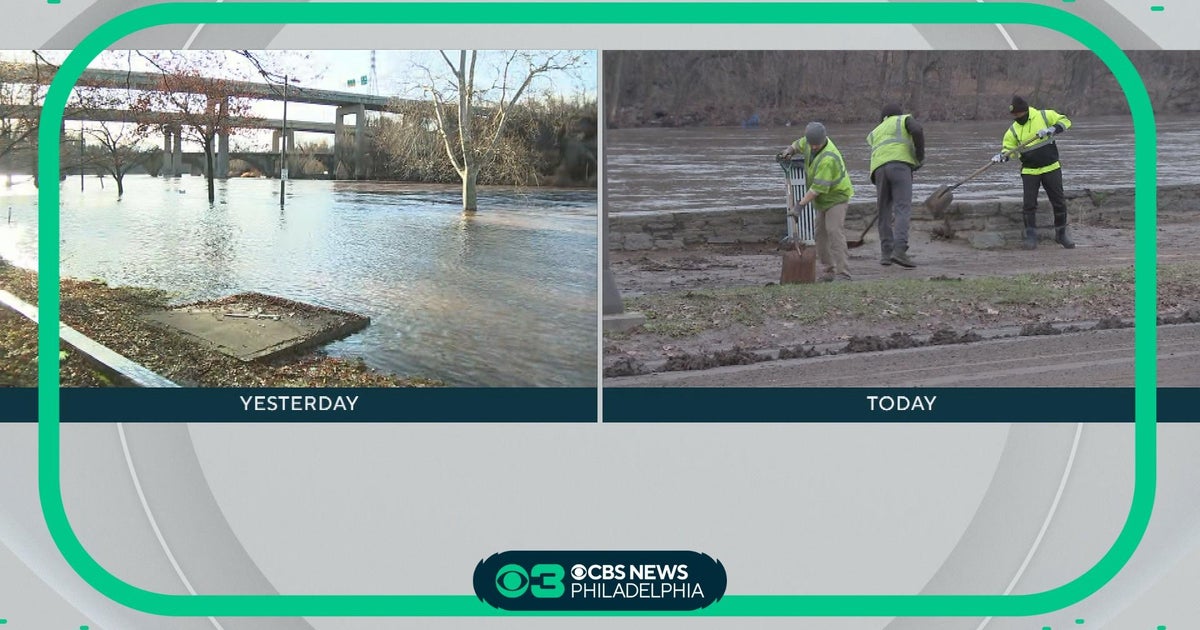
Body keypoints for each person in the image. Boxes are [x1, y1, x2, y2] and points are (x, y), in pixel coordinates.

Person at [991, 95, 1074, 249]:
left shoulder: (1044, 115)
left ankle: (1061, 235)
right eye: (1014, 116)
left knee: (1059, 202)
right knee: (1029, 205)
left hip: (1051, 167)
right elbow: (1011, 151)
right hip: (1029, 171)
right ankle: (1031, 237)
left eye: (1018, 115)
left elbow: (1066, 121)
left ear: (1025, 111)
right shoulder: (1013, 131)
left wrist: (1052, 129)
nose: (1016, 118)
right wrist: (1003, 157)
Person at [780, 122, 855, 282]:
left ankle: (843, 273)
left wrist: (799, 206)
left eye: (817, 144)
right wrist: (789, 150)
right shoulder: (808, 142)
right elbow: (797, 144)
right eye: (811, 144)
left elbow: (817, 189)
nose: (813, 147)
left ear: (824, 139)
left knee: (834, 230)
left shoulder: (829, 157)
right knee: (819, 235)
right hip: (823, 199)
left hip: (837, 196)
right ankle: (829, 270)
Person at [867, 103, 925, 268]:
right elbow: (917, 130)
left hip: (878, 169)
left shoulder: (876, 131)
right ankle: (899, 250)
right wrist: (919, 156)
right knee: (902, 208)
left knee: (884, 211)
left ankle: (886, 253)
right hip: (900, 166)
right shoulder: (904, 119)